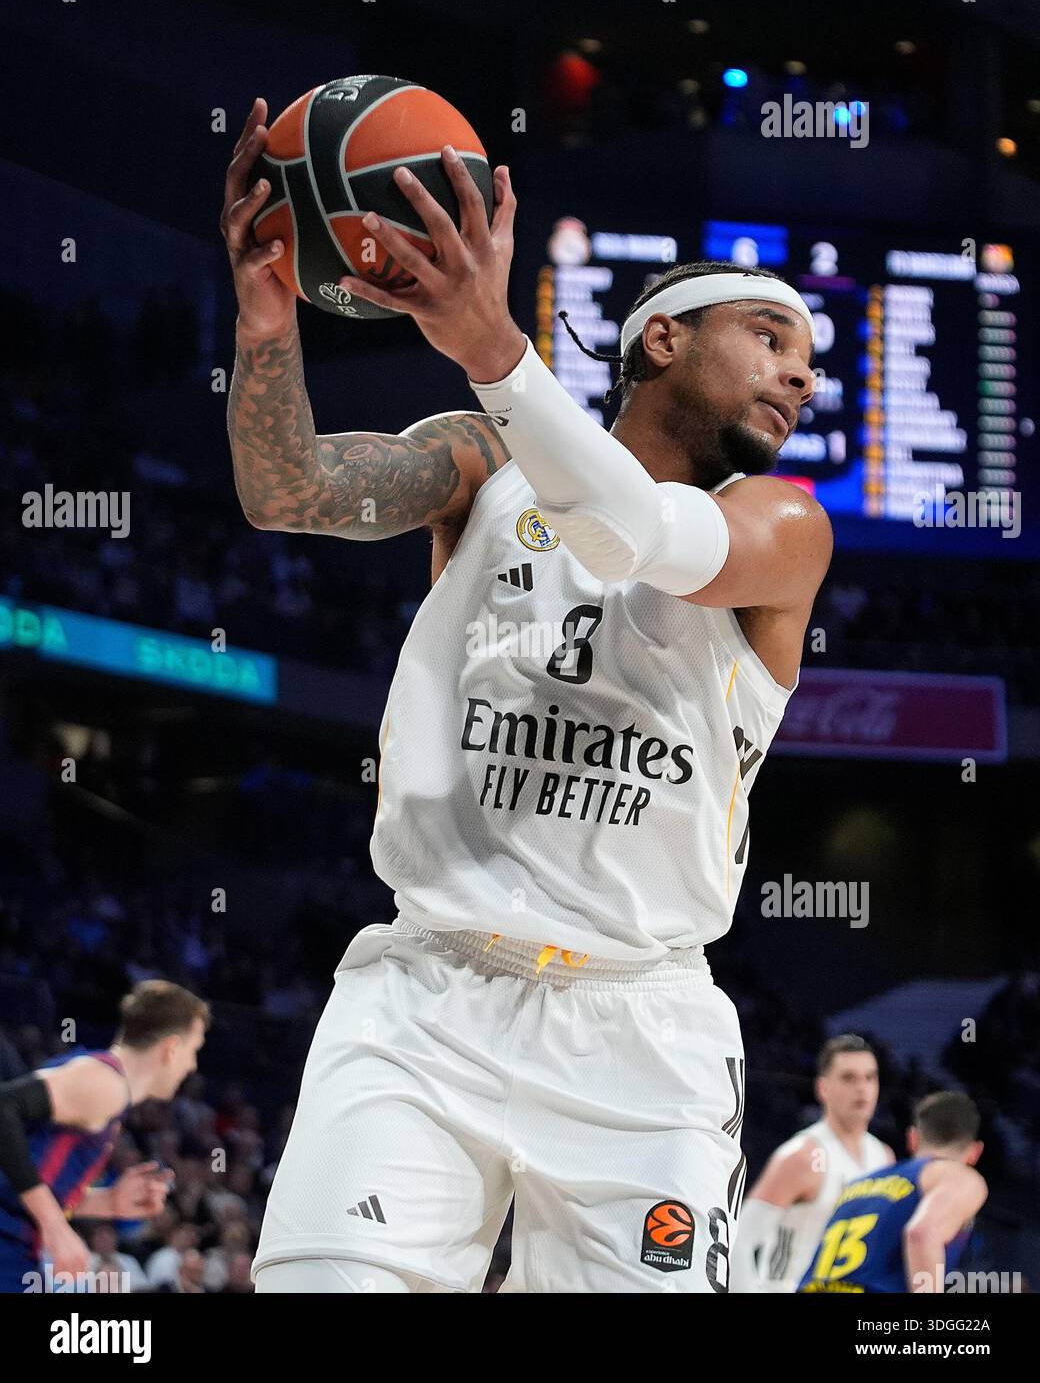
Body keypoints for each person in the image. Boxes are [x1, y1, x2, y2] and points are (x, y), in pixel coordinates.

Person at [222, 98, 830, 1293]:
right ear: (661, 341)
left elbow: (635, 537)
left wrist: (492, 343)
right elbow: (290, 492)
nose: (801, 374)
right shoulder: (480, 458)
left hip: (636, 1034)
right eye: (767, 335)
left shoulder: (782, 528)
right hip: (423, 996)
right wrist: (265, 321)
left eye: (803, 359)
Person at [0, 980, 209, 1293]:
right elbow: (3, 1108)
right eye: (194, 1051)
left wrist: (106, 1202)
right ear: (171, 1049)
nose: (192, 1066)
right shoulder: (105, 1083)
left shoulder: (106, 1087)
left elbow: (17, 1178)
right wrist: (55, 1226)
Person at [731, 1035, 894, 1291]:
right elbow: (739, 1240)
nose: (862, 1088)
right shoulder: (803, 1156)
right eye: (849, 1078)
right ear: (823, 1088)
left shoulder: (883, 1156)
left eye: (869, 1077)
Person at [797, 1091, 986, 1293]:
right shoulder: (957, 1176)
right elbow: (921, 1234)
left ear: (912, 1138)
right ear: (975, 1152)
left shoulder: (858, 1185)